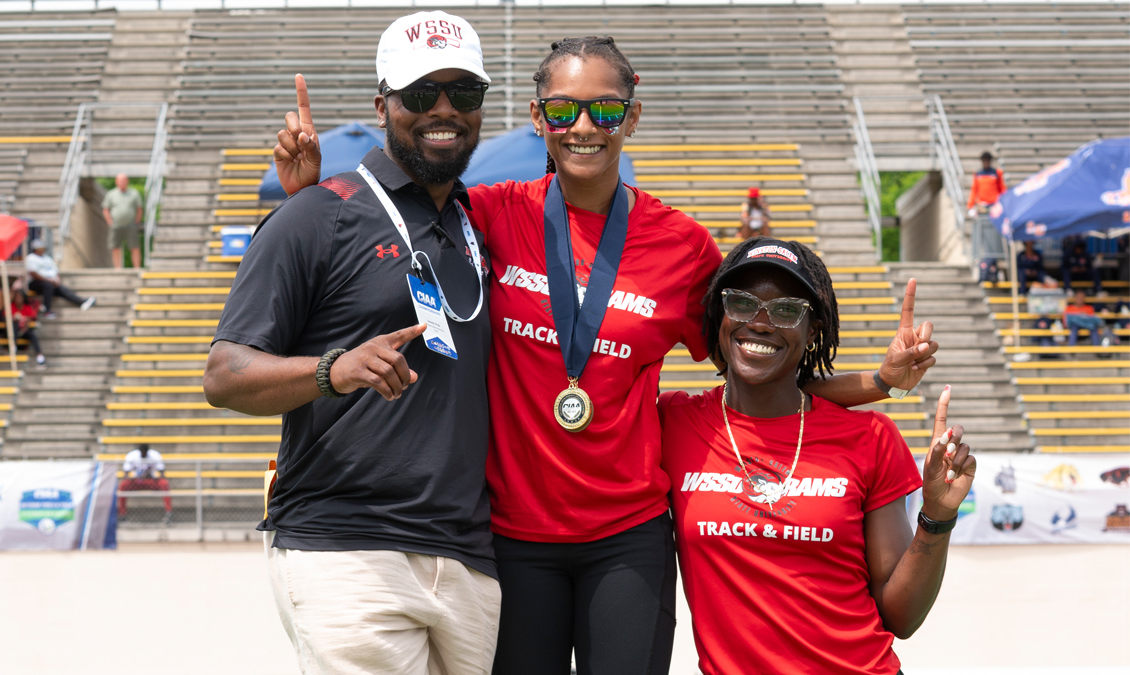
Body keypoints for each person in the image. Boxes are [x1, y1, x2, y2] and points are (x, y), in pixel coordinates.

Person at [277, 32, 938, 675]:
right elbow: (370, 244)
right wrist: (303, 196)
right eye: (562, 110)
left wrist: (880, 381)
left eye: (605, 108)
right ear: (539, 118)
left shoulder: (682, 246)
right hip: (510, 535)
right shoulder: (488, 215)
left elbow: (760, 383)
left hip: (627, 538)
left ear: (633, 116)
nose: (584, 125)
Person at [207, 12, 501, 674]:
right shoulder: (316, 213)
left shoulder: (479, 223)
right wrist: (332, 370)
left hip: (470, 558)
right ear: (382, 105)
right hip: (348, 548)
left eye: (464, 92)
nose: (444, 110)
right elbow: (223, 373)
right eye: (422, 94)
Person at [659, 238, 975, 675]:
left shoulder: (869, 437)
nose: (762, 322)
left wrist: (937, 517)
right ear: (718, 316)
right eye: (741, 303)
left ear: (813, 332)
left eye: (787, 310)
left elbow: (901, 618)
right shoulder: (673, 423)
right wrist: (880, 382)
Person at [24, 239, 95, 319]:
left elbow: (56, 270)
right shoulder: (31, 258)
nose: (41, 250)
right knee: (48, 286)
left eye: (42, 248)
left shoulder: (47, 258)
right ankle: (47, 310)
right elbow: (33, 274)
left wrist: (56, 279)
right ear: (35, 249)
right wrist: (49, 280)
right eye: (39, 248)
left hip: (50, 283)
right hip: (36, 283)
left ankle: (81, 301)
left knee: (61, 289)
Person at [119, 443, 172, 523]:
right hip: (136, 481)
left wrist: (154, 477)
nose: (143, 453)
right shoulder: (132, 456)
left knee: (164, 484)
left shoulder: (155, 455)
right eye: (142, 452)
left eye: (145, 452)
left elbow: (162, 473)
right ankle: (122, 514)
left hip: (150, 480)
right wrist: (133, 478)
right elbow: (125, 474)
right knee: (123, 485)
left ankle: (169, 513)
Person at [102, 173, 144, 269]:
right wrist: (109, 222)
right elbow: (105, 209)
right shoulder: (111, 194)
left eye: (124, 180)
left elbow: (139, 208)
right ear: (116, 182)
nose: (122, 182)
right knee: (115, 247)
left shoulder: (134, 193)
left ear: (127, 181)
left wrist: (137, 221)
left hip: (131, 224)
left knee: (135, 247)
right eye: (120, 180)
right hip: (116, 225)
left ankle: (136, 268)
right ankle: (118, 268)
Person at [11, 289, 46, 367]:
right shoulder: (11, 307)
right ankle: (13, 346)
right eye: (16, 297)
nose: (18, 299)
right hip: (13, 332)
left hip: (24, 330)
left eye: (20, 297)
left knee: (33, 335)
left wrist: (24, 326)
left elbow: (31, 318)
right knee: (14, 326)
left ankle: (40, 356)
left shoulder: (27, 307)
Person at [967, 150, 1005, 217]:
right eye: (984, 161)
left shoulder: (997, 173)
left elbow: (1002, 189)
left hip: (994, 204)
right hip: (982, 205)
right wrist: (970, 205)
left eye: (988, 160)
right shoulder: (978, 174)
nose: (986, 162)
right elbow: (974, 190)